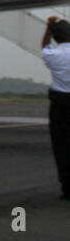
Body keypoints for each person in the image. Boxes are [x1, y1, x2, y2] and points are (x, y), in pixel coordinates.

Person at [40, 17, 70, 199]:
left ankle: (67, 187)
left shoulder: (53, 54)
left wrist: (48, 28)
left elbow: (44, 46)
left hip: (60, 103)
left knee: (61, 147)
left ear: (55, 37)